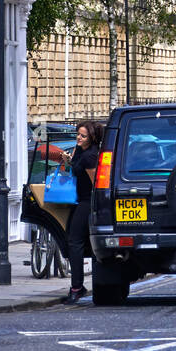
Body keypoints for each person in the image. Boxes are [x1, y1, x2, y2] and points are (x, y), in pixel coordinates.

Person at [58, 121, 102, 304]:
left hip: (86, 202)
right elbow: (75, 171)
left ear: (91, 138)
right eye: (78, 134)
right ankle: (78, 286)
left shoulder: (90, 156)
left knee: (75, 242)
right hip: (78, 201)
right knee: (75, 242)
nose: (78, 137)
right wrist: (68, 160)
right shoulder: (81, 151)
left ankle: (77, 287)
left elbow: (95, 185)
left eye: (83, 136)